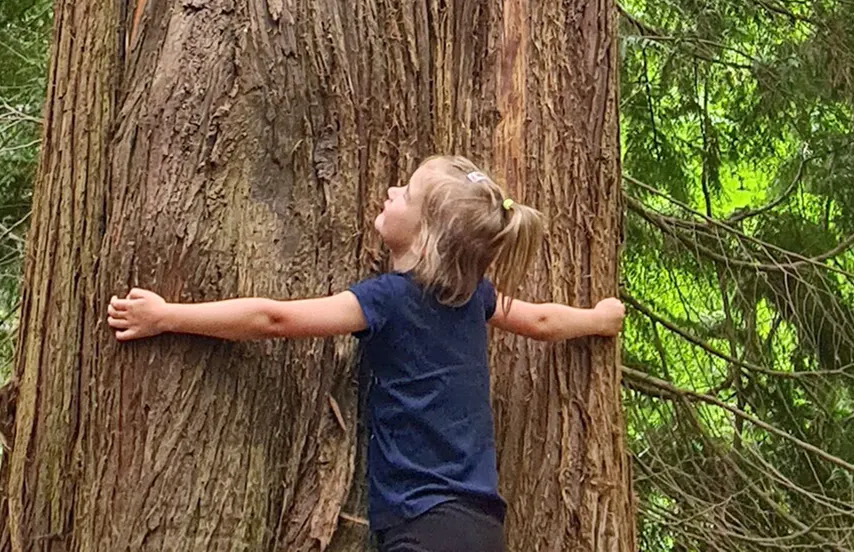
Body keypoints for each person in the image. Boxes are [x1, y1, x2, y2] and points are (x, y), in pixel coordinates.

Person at [106, 154, 625, 552]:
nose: (392, 191)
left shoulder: (387, 300)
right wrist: (600, 319)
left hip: (423, 527)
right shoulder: (472, 297)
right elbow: (541, 322)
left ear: (426, 238)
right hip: (480, 524)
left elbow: (273, 319)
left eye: (407, 194)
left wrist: (167, 316)